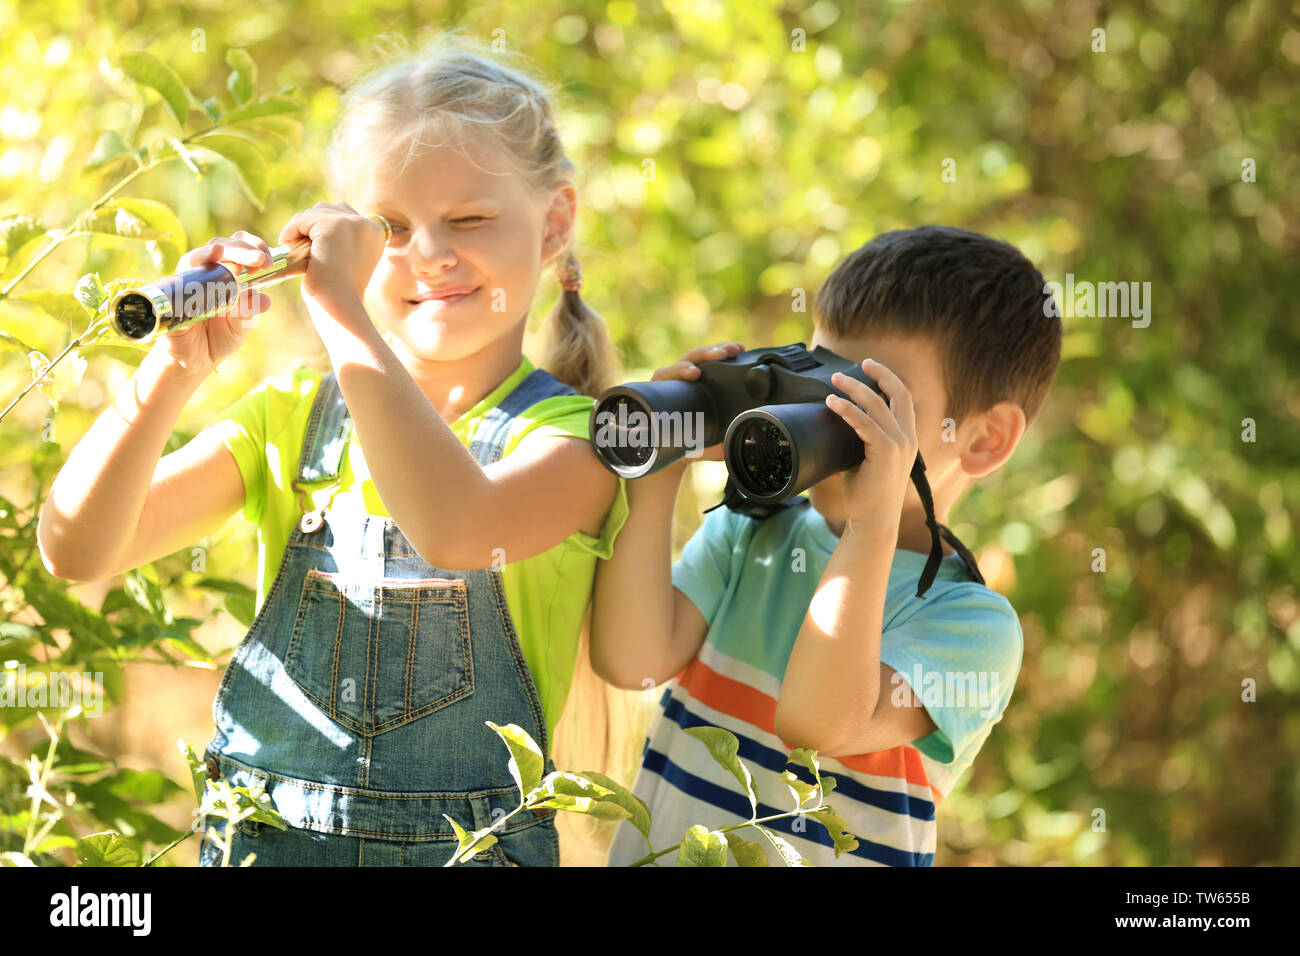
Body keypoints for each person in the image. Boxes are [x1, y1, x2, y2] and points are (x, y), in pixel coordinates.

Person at [36, 34, 628, 866]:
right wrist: (175, 368)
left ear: (555, 222)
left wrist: (342, 308)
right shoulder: (292, 421)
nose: (429, 255)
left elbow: (457, 528)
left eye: (470, 219)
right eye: (390, 228)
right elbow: (76, 545)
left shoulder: (578, 439)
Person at [591, 226, 1062, 866]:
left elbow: (816, 725)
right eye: (822, 381)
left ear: (984, 439)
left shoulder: (970, 627)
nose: (833, 418)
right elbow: (630, 661)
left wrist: (870, 525)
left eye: (874, 401)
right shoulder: (751, 532)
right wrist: (659, 466)